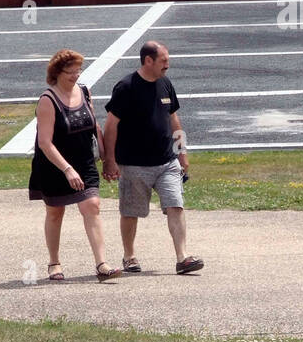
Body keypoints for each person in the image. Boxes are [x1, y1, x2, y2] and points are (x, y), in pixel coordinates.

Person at [102, 41, 203, 274]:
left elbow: (174, 119)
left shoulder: (165, 83)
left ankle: (182, 258)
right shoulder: (126, 87)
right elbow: (111, 126)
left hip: (167, 161)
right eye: (163, 61)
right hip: (134, 164)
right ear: (148, 60)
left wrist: (182, 152)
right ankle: (129, 256)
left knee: (175, 205)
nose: (167, 65)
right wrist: (110, 160)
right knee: (131, 212)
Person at [28, 49, 120, 282]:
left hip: (84, 161)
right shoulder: (47, 100)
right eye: (70, 72)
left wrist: (107, 158)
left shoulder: (85, 91)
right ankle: (54, 263)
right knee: (55, 212)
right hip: (54, 165)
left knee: (92, 205)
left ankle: (102, 264)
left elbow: (94, 125)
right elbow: (45, 142)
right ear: (57, 73)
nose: (76, 75)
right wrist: (67, 169)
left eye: (78, 70)